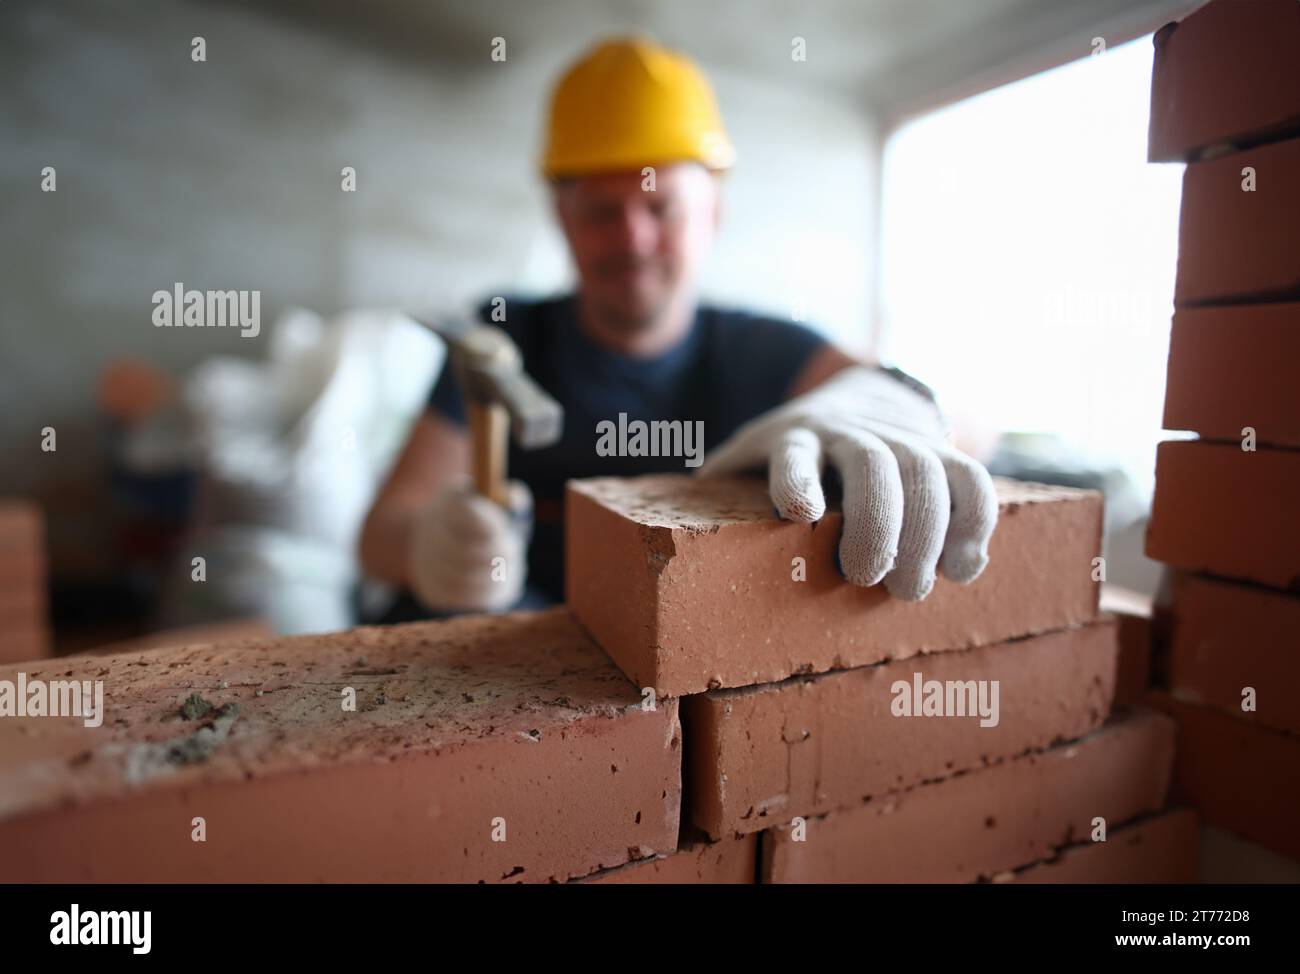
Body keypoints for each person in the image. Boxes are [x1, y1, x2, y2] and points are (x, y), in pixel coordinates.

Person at [359, 37, 997, 622]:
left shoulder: (765, 352)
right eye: (602, 212)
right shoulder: (502, 339)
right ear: (562, 217)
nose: (632, 238)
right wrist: (430, 549)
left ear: (712, 211)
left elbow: (976, 428)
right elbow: (378, 533)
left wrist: (887, 407)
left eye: (660, 206)